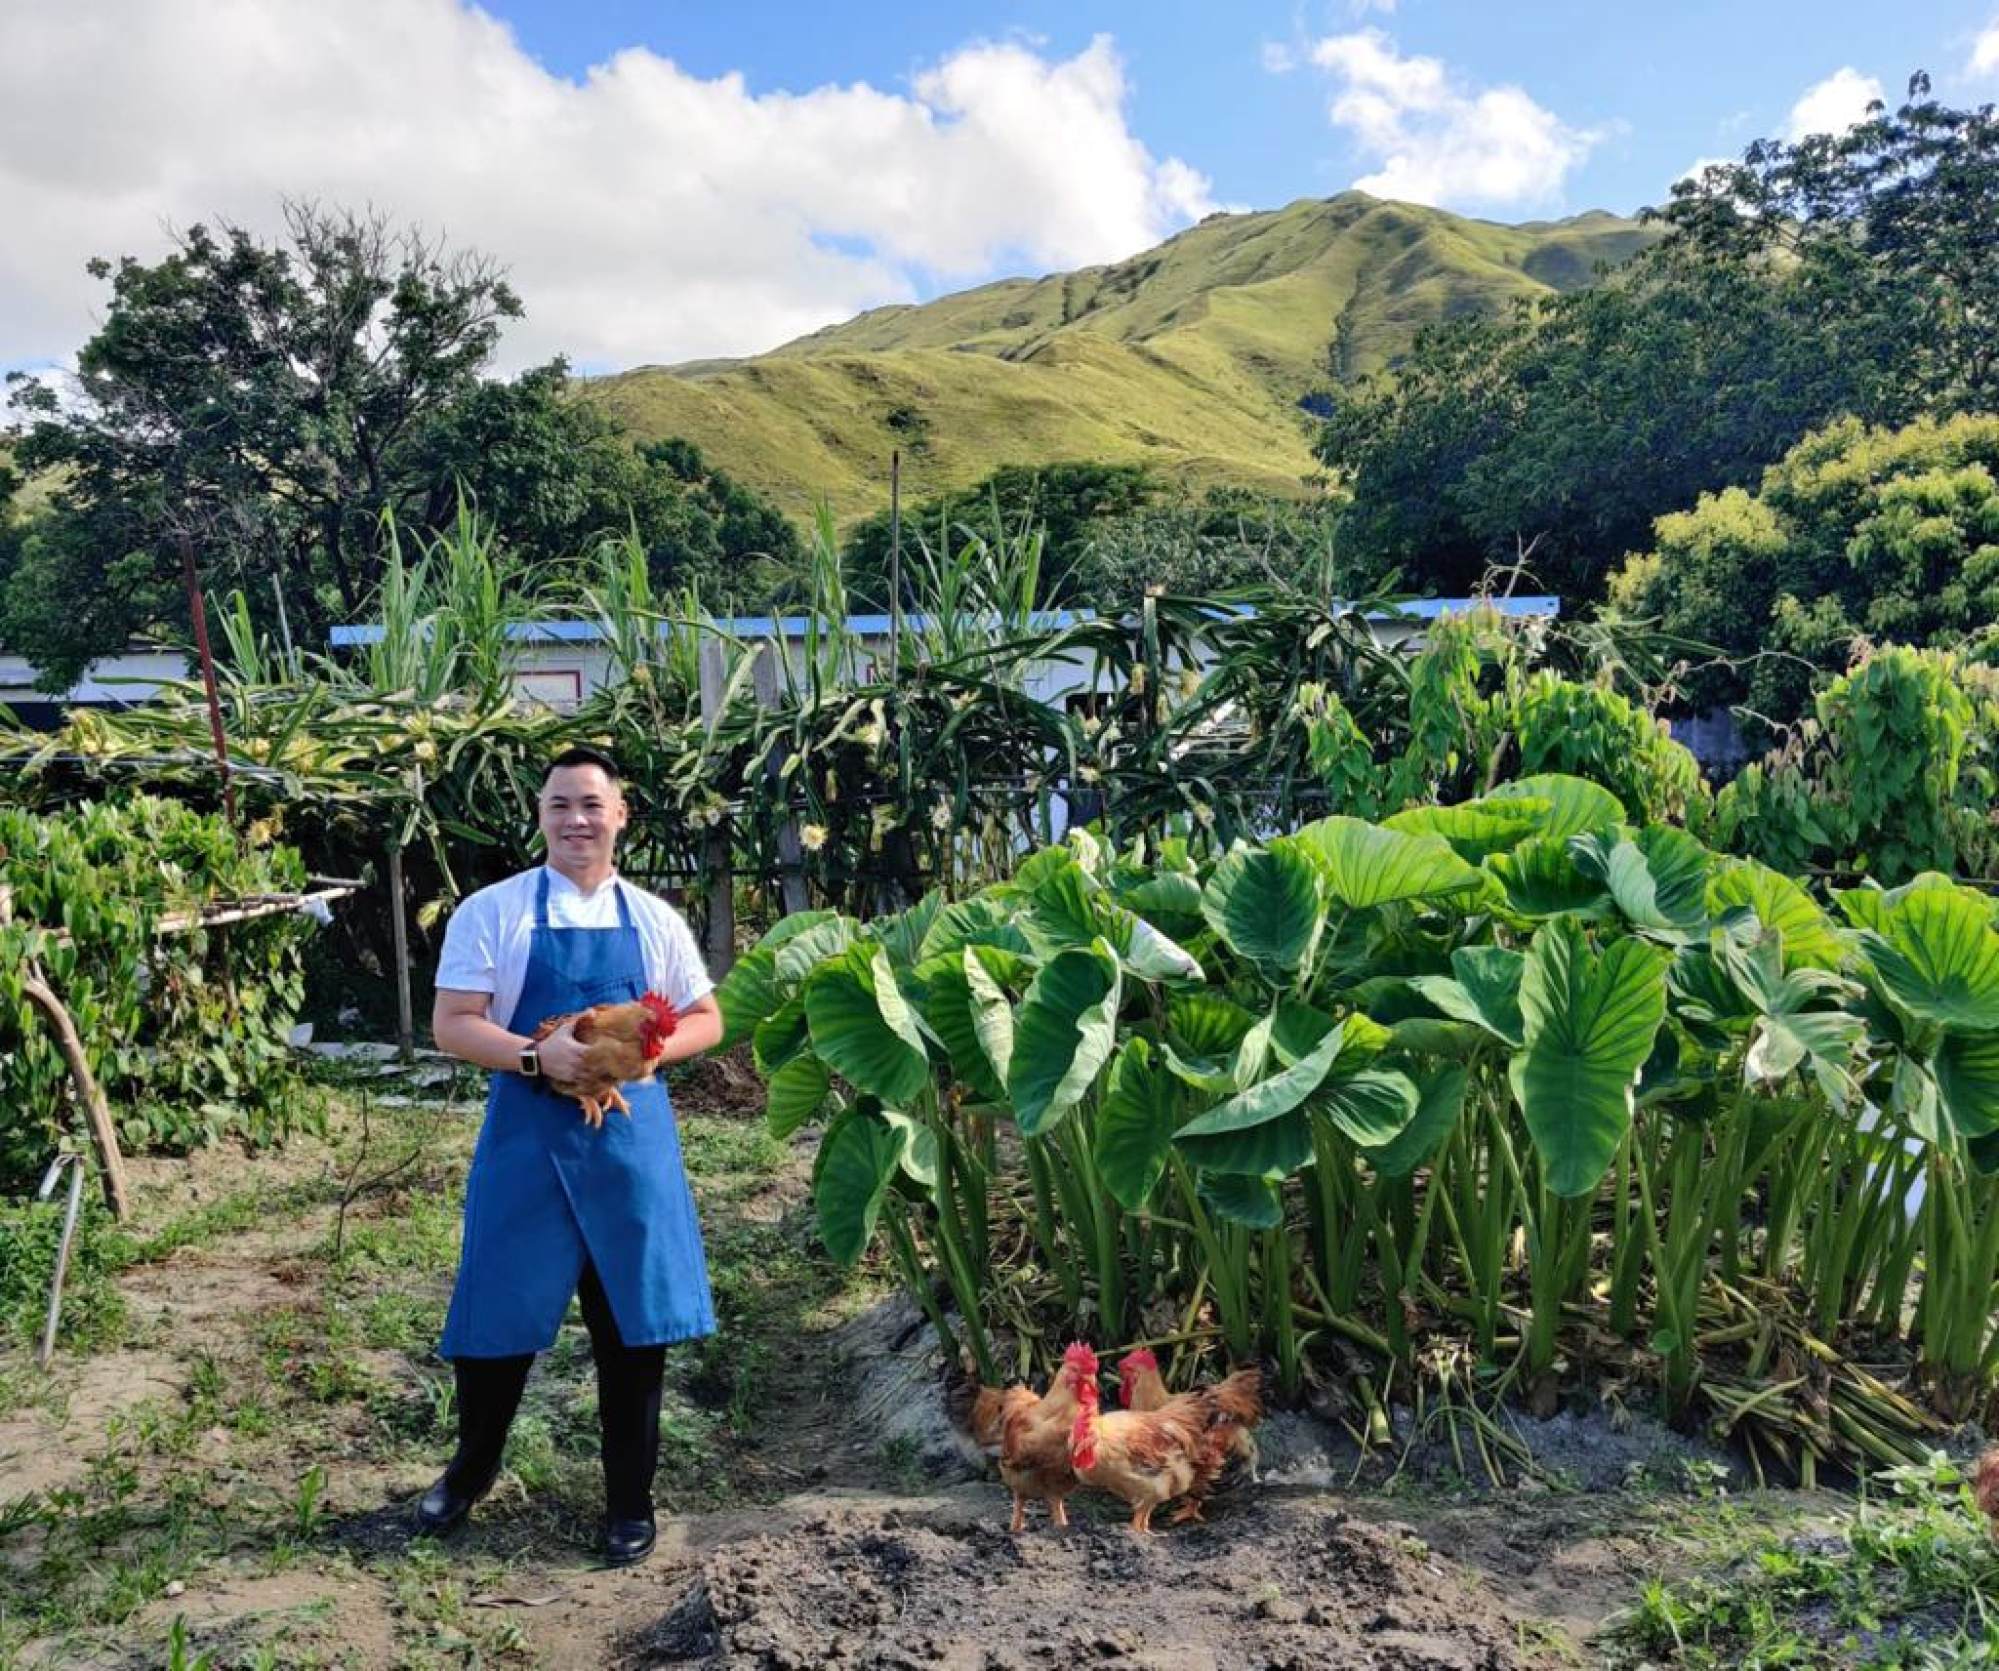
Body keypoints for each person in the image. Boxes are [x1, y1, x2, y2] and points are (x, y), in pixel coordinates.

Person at [418, 745, 723, 1566]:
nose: (576, 819)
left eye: (592, 804)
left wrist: (654, 1055)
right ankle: (469, 1471)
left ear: (620, 815)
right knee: (498, 1323)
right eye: (560, 804)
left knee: (632, 1329)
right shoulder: (495, 910)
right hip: (527, 1138)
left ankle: (630, 1500)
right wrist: (533, 1056)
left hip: (629, 1144)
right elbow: (453, 1021)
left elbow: (706, 1017)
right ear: (541, 815)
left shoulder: (656, 919)